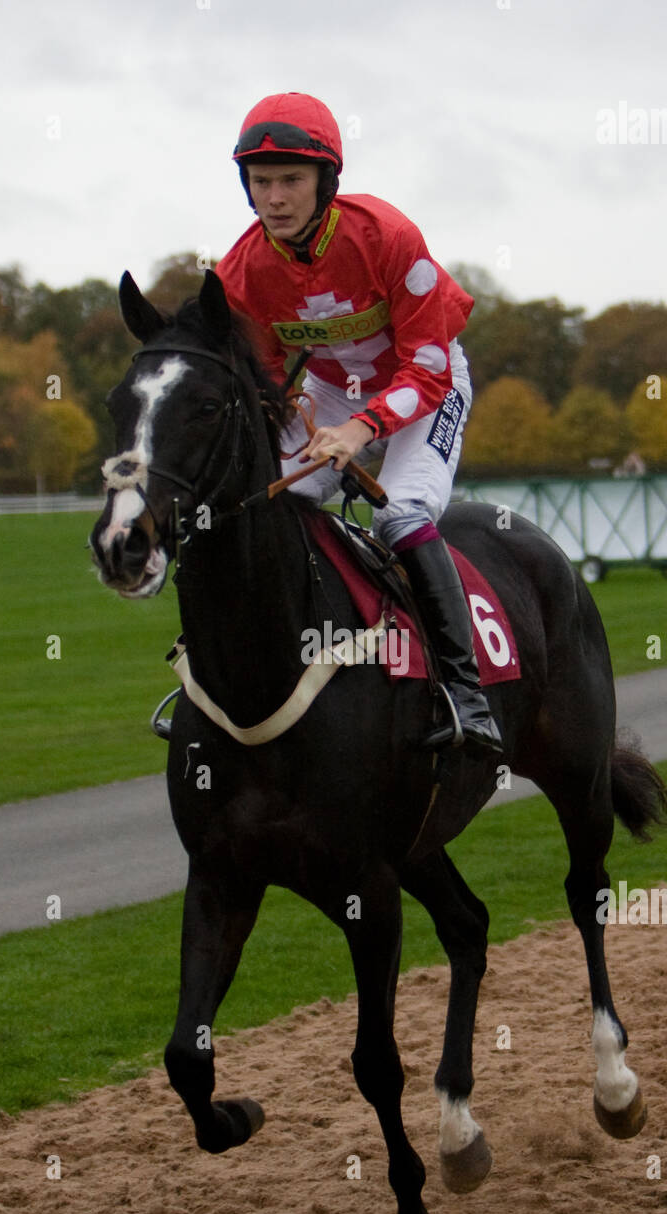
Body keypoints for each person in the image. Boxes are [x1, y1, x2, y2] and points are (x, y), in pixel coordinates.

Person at [214, 92, 503, 754]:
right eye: (262, 182)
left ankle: (467, 696)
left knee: (399, 513)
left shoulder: (390, 237)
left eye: (291, 180)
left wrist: (359, 432)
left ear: (326, 181)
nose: (276, 197)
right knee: (257, 506)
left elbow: (427, 370)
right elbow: (264, 380)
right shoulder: (242, 270)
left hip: (423, 385)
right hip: (330, 394)